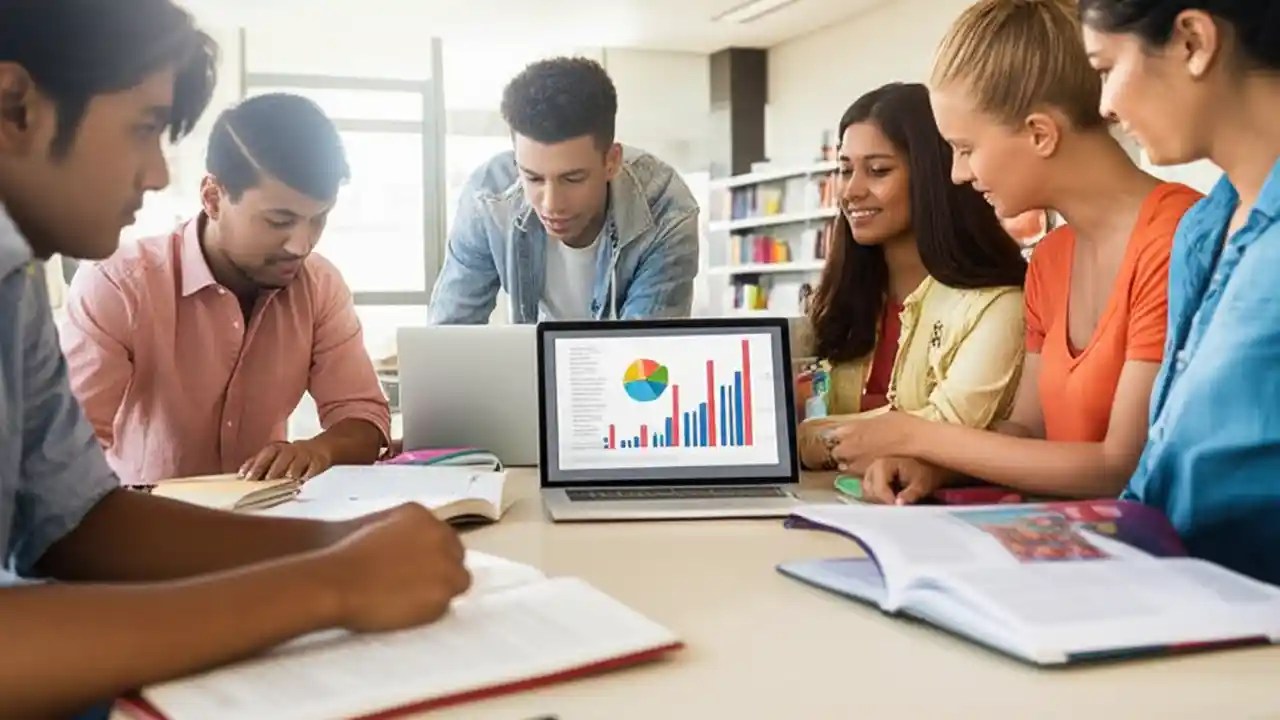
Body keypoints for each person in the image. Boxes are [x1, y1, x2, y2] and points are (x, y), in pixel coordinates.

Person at [0, 2, 469, 715]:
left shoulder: (17, 282)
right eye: (144, 128)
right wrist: (331, 584)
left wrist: (339, 541)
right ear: (14, 107)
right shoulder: (115, 283)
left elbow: (72, 523)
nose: (158, 173)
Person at [829, 0, 1202, 504]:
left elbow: (1118, 467)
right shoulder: (1050, 259)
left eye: (965, 148)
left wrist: (914, 434)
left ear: (1039, 134)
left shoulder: (1177, 237)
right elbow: (1026, 431)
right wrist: (935, 469)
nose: (958, 174)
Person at [60, 93, 389, 486]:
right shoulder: (117, 286)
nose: (301, 245)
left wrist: (318, 451)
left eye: (318, 219)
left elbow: (364, 418)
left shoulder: (320, 286)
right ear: (213, 198)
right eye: (279, 220)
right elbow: (65, 456)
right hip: (147, 524)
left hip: (269, 520)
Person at [1077, 0, 1280, 584]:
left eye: (1105, 68)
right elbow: (1161, 473)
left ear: (1192, 41)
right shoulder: (1200, 232)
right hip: (1173, 597)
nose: (1105, 106)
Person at [796, 83, 1028, 477]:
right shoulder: (842, 302)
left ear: (932, 176)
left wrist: (811, 435)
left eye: (878, 170)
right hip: (826, 507)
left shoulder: (997, 306)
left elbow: (948, 429)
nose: (851, 191)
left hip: (933, 521)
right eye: (845, 169)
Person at [427, 56, 700, 324]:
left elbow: (645, 357)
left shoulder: (666, 209)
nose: (551, 204)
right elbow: (449, 332)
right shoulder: (488, 199)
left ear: (611, 161)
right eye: (533, 178)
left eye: (573, 179)